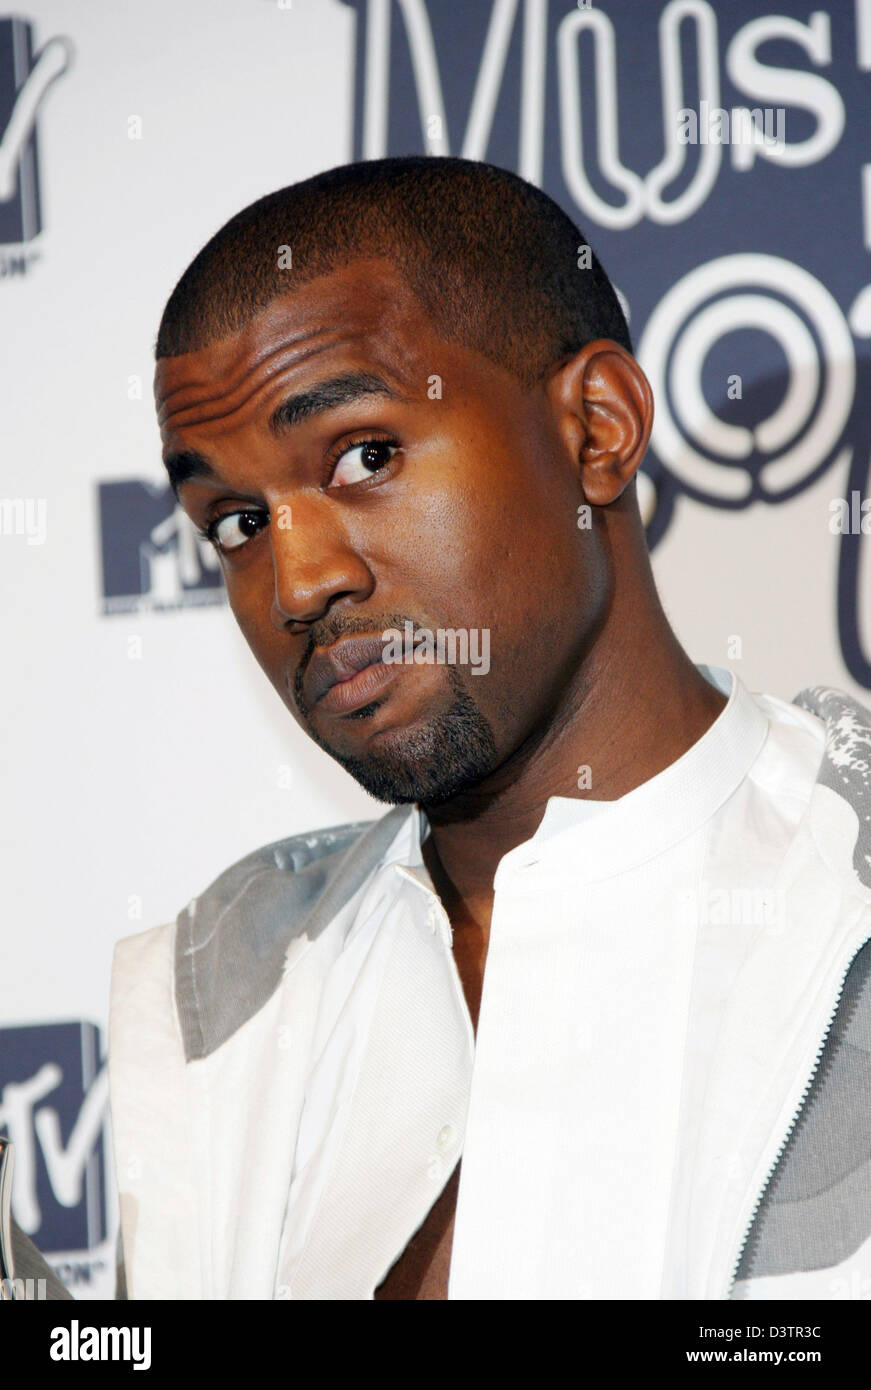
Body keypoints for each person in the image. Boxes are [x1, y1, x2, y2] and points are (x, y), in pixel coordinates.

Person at [105, 156, 871, 1301]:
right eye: (236, 521)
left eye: (366, 457)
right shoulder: (222, 984)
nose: (296, 582)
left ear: (596, 429)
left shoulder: (839, 894)